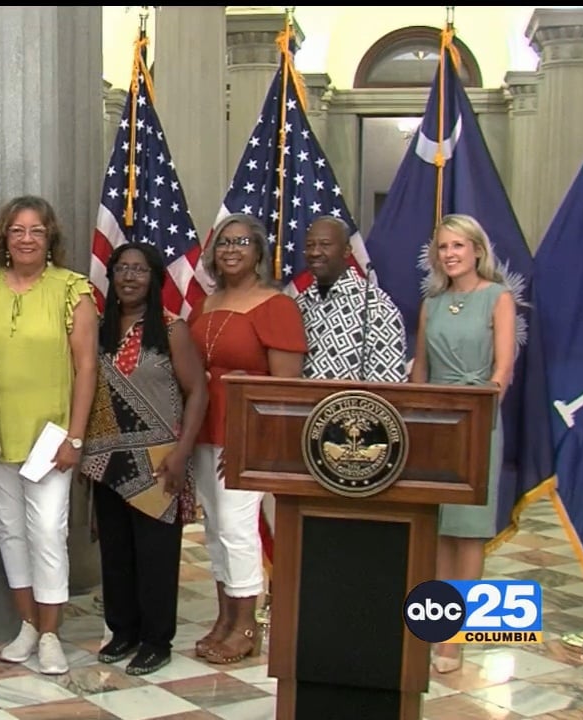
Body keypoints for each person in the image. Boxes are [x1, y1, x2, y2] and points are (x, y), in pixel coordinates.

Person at [0, 195, 98, 676]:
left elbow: (86, 366)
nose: (27, 239)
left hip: (51, 438)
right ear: (4, 237)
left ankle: (51, 634)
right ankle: (26, 625)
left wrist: (77, 437)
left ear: (51, 239)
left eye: (37, 231)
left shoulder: (72, 289)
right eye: (18, 230)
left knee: (47, 531)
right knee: (10, 532)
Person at [82, 243, 208, 676]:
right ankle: (123, 632)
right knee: (116, 552)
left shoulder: (172, 329)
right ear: (111, 276)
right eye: (122, 269)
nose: (129, 277)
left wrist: (182, 451)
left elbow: (198, 393)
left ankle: (156, 641)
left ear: (154, 278)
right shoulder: (99, 329)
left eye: (139, 270)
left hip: (159, 460)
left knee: (155, 554)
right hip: (106, 458)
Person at [188, 213, 307, 665]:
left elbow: (285, 388)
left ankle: (246, 625)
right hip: (204, 430)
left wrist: (251, 442)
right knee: (216, 529)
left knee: (239, 528)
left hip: (247, 436)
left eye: (241, 242)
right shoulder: (207, 304)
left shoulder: (276, 305)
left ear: (259, 251)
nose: (230, 250)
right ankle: (224, 617)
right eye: (223, 242)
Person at [410, 213, 515, 674]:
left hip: (476, 420)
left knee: (468, 530)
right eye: (443, 246)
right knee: (436, 528)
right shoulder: (431, 302)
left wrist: (480, 410)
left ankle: (455, 637)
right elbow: (420, 371)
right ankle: (433, 622)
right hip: (433, 423)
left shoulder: (498, 297)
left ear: (476, 249)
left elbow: (503, 368)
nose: (450, 253)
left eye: (458, 245)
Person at [295, 216, 407, 383]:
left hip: (351, 408)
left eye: (325, 244)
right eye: (310, 246)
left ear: (347, 251)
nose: (315, 252)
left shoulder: (377, 308)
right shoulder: (300, 303)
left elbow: (388, 386)